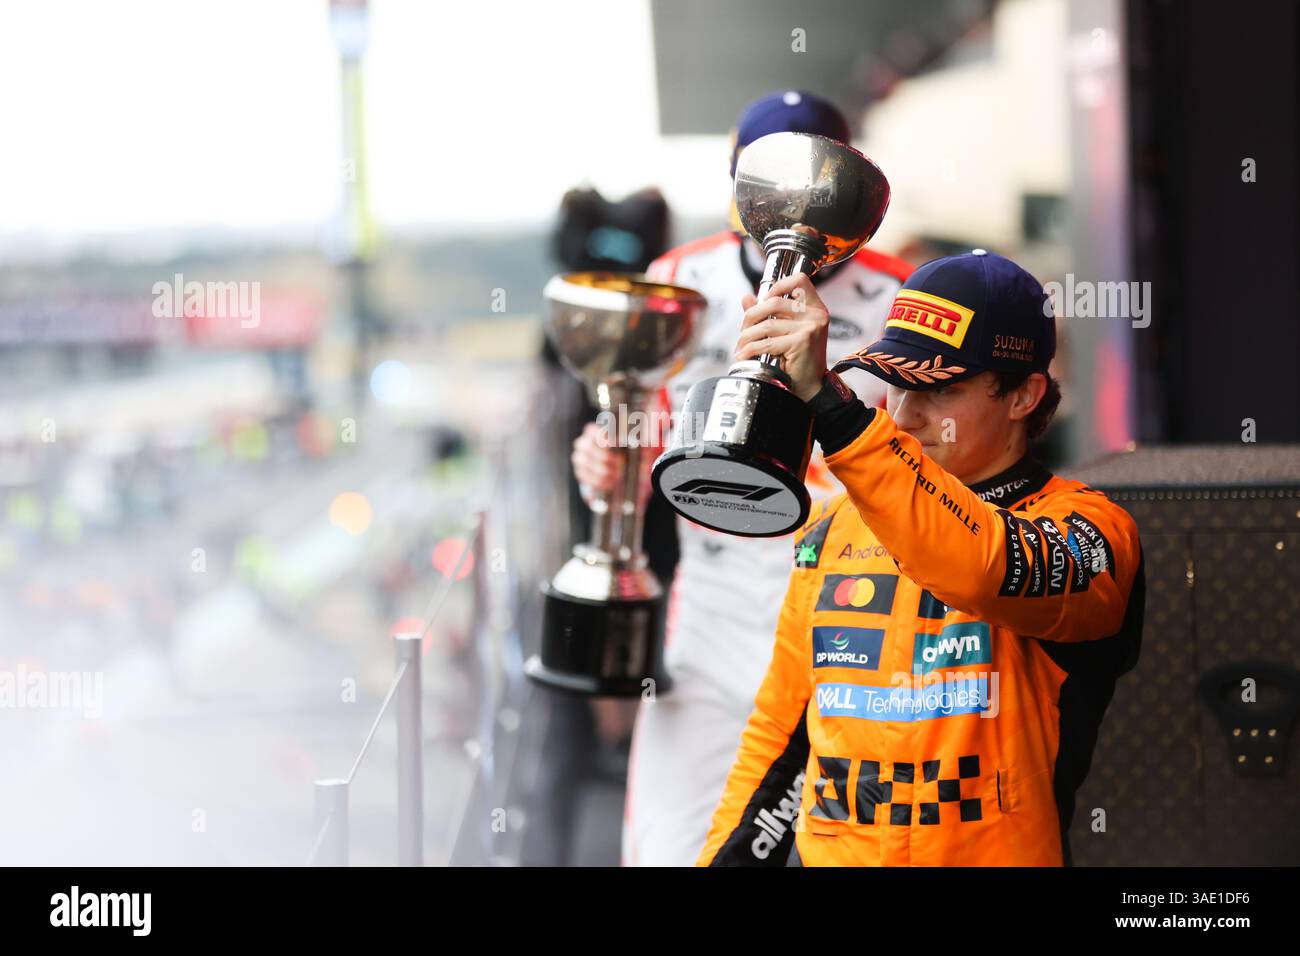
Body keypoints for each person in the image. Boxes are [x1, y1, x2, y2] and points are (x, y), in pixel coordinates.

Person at [698, 250, 1145, 866]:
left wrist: (836, 413)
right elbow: (782, 742)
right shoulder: (832, 529)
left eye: (941, 389)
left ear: (1023, 395)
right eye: (896, 383)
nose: (906, 415)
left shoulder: (1090, 531)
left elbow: (981, 566)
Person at [570, 90, 914, 866]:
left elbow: (940, 464)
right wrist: (604, 460)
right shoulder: (677, 280)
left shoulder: (906, 294)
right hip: (714, 612)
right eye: (765, 187)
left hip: (856, 609)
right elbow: (636, 427)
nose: (790, 206)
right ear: (736, 191)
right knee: (668, 848)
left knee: (866, 851)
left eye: (818, 186)